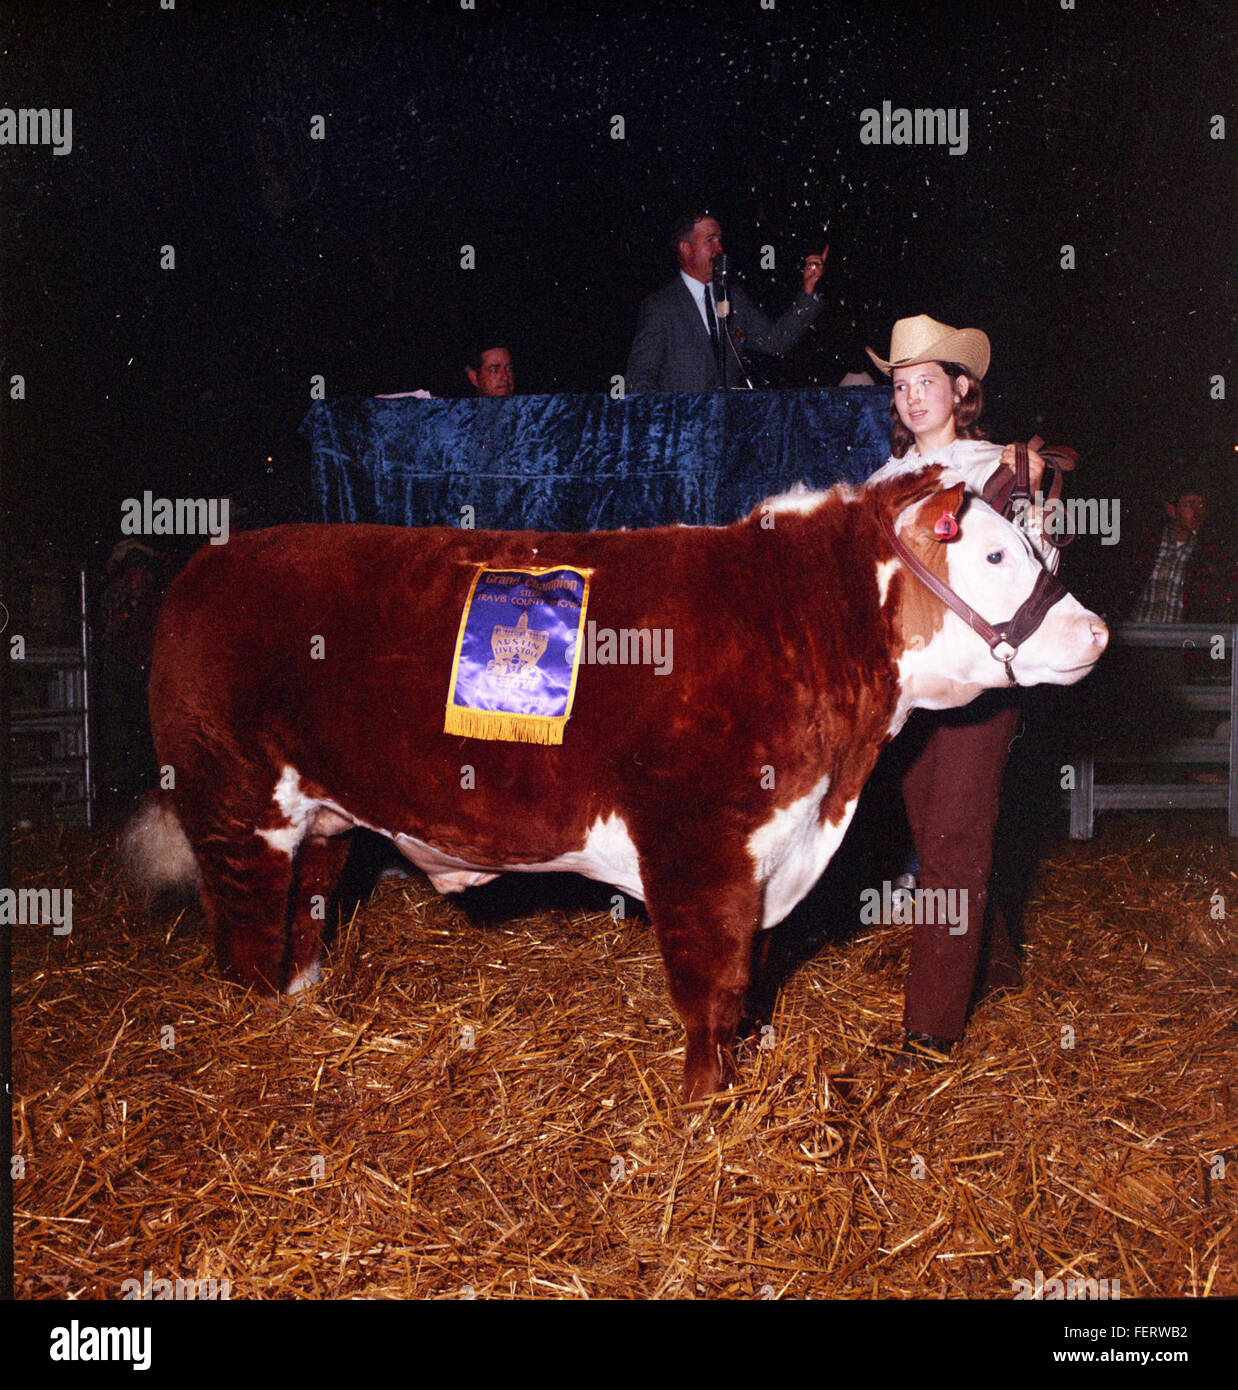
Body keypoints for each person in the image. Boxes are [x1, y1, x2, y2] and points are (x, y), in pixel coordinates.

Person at [864, 314, 1060, 1061]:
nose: (914, 399)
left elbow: (1033, 573)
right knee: (940, 837)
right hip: (914, 690)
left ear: (961, 388)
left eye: (927, 383)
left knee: (951, 842)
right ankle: (998, 969)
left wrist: (1037, 509)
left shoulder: (994, 469)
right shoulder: (881, 485)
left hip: (983, 685)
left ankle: (931, 1031)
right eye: (902, 385)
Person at [624, 212, 827, 392]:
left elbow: (775, 342)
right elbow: (639, 379)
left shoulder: (734, 298)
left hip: (729, 427)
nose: (719, 248)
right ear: (686, 249)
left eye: (719, 240)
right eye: (710, 240)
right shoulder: (661, 306)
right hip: (684, 429)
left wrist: (807, 291)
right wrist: (665, 424)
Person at [1125, 479, 1238, 624]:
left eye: (1202, 505)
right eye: (1189, 505)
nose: (1198, 512)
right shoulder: (1148, 545)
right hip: (1140, 636)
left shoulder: (1208, 553)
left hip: (1178, 640)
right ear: (1172, 511)